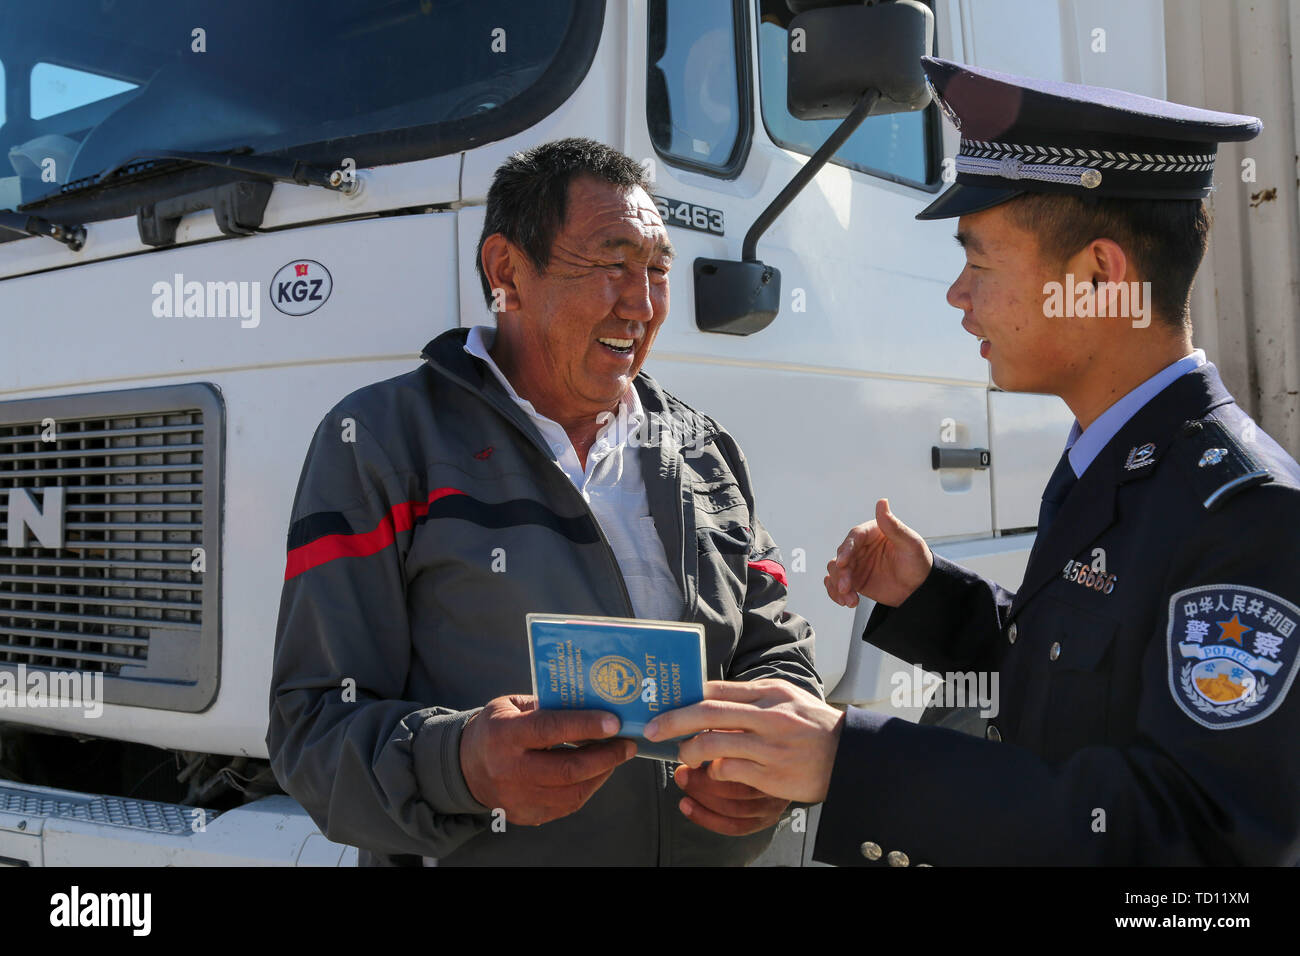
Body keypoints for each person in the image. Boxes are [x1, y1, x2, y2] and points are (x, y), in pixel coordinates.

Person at [643, 58, 1300, 865]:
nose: (958, 294)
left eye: (979, 261)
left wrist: (854, 761)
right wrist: (935, 601)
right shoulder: (1125, 457)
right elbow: (1080, 679)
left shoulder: (1248, 514)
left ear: (1100, 278)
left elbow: (1204, 851)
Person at [265, 137, 821, 866]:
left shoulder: (701, 448)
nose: (644, 304)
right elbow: (311, 730)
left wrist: (771, 761)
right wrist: (459, 763)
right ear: (507, 273)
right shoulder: (378, 442)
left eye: (656, 271)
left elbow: (773, 645)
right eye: (611, 264)